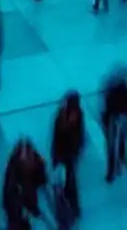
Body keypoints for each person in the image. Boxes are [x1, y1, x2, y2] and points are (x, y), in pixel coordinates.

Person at [50, 91, 85, 219]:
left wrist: (78, 148)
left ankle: (74, 207)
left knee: (71, 181)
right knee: (64, 183)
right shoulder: (60, 120)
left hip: (71, 154)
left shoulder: (78, 115)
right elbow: (56, 141)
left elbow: (80, 134)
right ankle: (66, 210)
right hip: (62, 155)